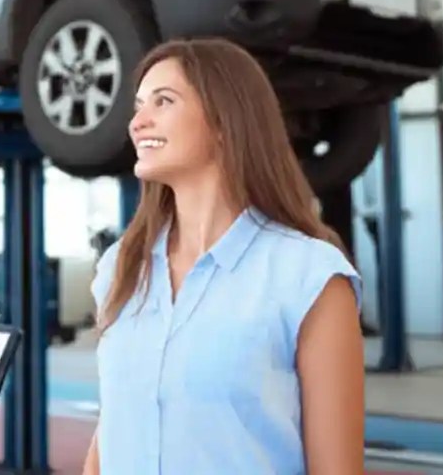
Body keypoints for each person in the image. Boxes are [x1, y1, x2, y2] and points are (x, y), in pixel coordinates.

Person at [83, 38, 365, 475]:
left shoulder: (310, 278)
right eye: (139, 106)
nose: (138, 122)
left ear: (223, 121)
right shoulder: (121, 267)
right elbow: (113, 428)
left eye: (164, 101)